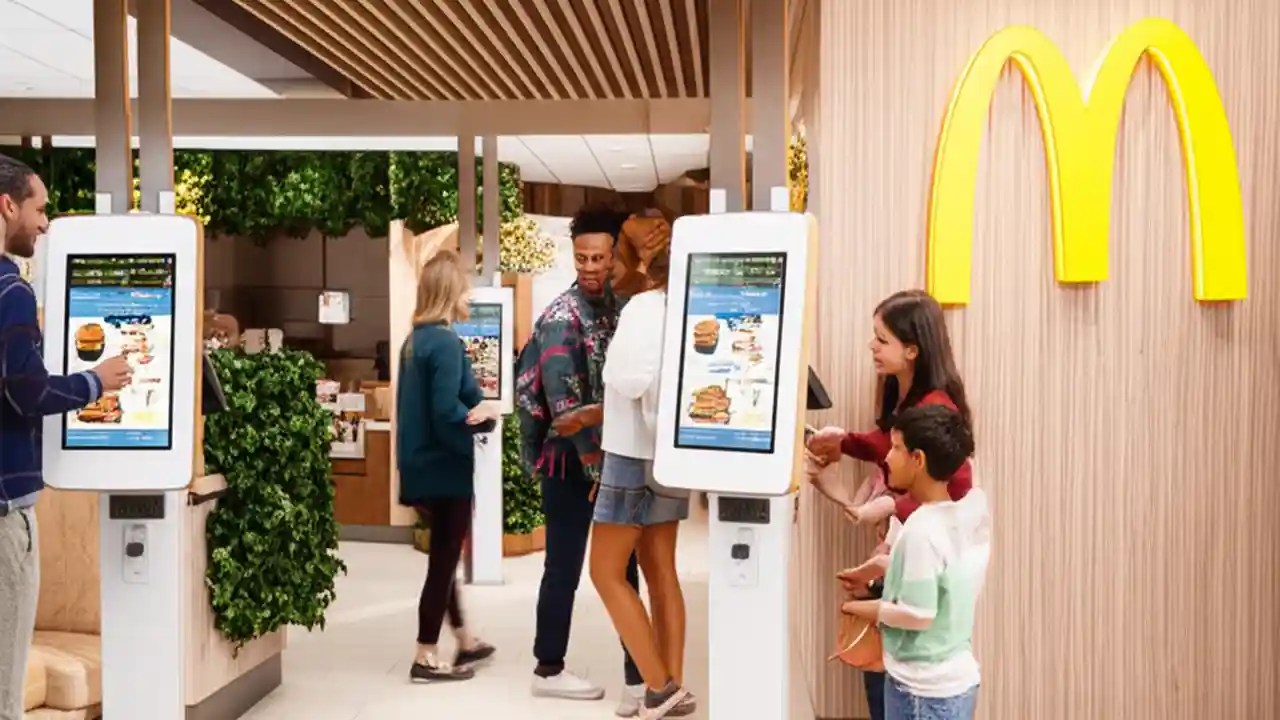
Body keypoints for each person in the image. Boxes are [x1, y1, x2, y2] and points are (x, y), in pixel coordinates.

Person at [0, 154, 132, 719]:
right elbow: (26, 391)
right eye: (40, 208)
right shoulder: (10, 290)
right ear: (7, 206)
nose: (45, 222)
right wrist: (94, 381)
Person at [806, 289, 974, 720]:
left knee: (891, 682)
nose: (871, 347)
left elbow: (956, 486)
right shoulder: (903, 396)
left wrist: (885, 510)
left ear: (913, 349)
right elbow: (884, 443)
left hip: (908, 582)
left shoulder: (934, 408)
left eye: (881, 339)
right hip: (893, 555)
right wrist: (843, 443)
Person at [515, 204, 643, 703]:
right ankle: (548, 669)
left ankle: (639, 676)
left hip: (610, 459)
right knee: (564, 567)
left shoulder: (620, 308)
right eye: (581, 258)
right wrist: (594, 465)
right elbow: (565, 404)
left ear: (614, 257)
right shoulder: (560, 318)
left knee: (623, 570)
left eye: (599, 258)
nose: (590, 267)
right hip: (572, 463)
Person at [590, 214, 696, 718]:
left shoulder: (645, 308)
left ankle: (656, 687)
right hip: (672, 455)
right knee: (661, 571)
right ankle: (672, 683)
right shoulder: (691, 309)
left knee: (605, 571)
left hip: (631, 453)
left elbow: (625, 377)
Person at [839, 404, 989, 720]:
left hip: (922, 695)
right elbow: (939, 577)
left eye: (895, 448)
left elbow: (918, 614)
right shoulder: (959, 514)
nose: (887, 458)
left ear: (917, 459)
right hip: (953, 685)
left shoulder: (922, 529)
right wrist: (880, 567)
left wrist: (856, 609)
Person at [396, 249, 499, 682]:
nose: (468, 293)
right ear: (450, 291)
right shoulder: (445, 341)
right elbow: (445, 407)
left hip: (418, 464)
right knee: (442, 561)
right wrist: (479, 417)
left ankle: (465, 639)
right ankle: (424, 654)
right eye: (464, 285)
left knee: (444, 553)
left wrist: (469, 406)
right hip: (445, 467)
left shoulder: (413, 342)